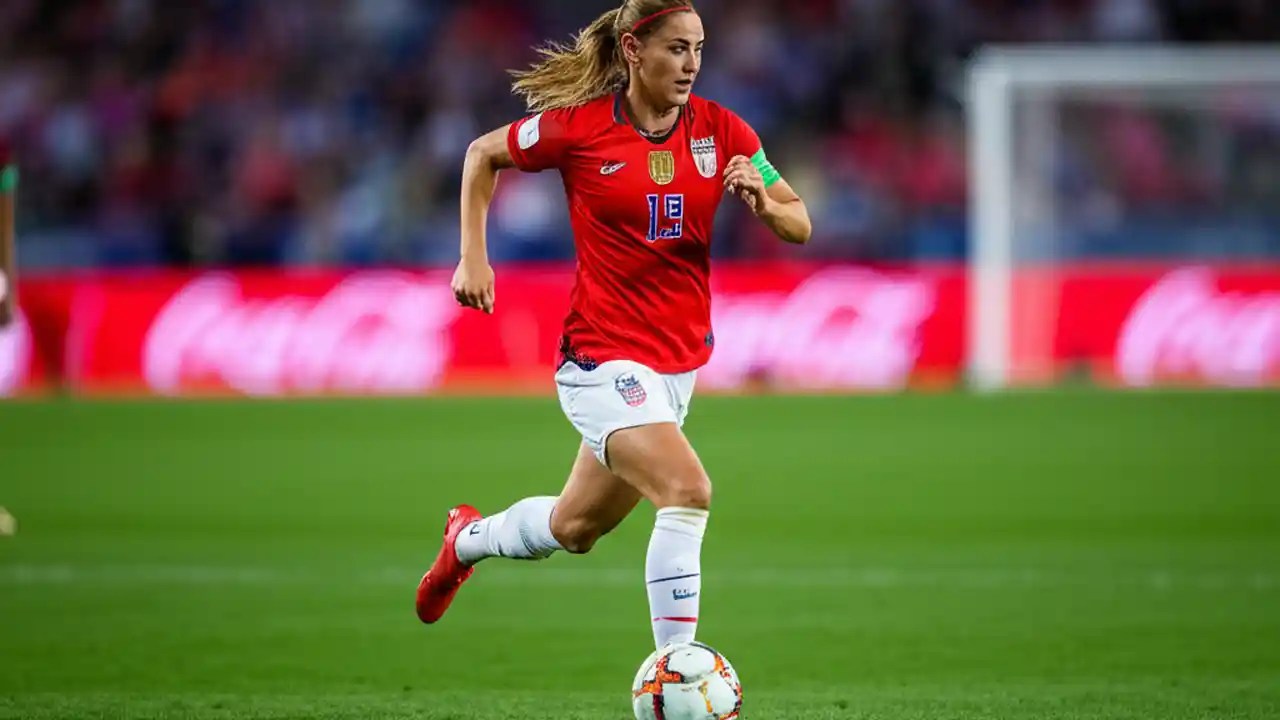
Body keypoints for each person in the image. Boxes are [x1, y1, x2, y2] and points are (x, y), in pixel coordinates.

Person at [416, 0, 811, 651]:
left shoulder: (724, 133)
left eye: (699, 49)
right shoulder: (578, 130)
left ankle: (467, 539)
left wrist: (764, 203)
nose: (691, 64)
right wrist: (473, 255)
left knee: (575, 528)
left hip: (674, 369)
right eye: (676, 49)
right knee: (687, 490)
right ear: (633, 50)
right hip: (601, 362)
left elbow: (800, 221)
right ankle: (675, 672)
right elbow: (482, 155)